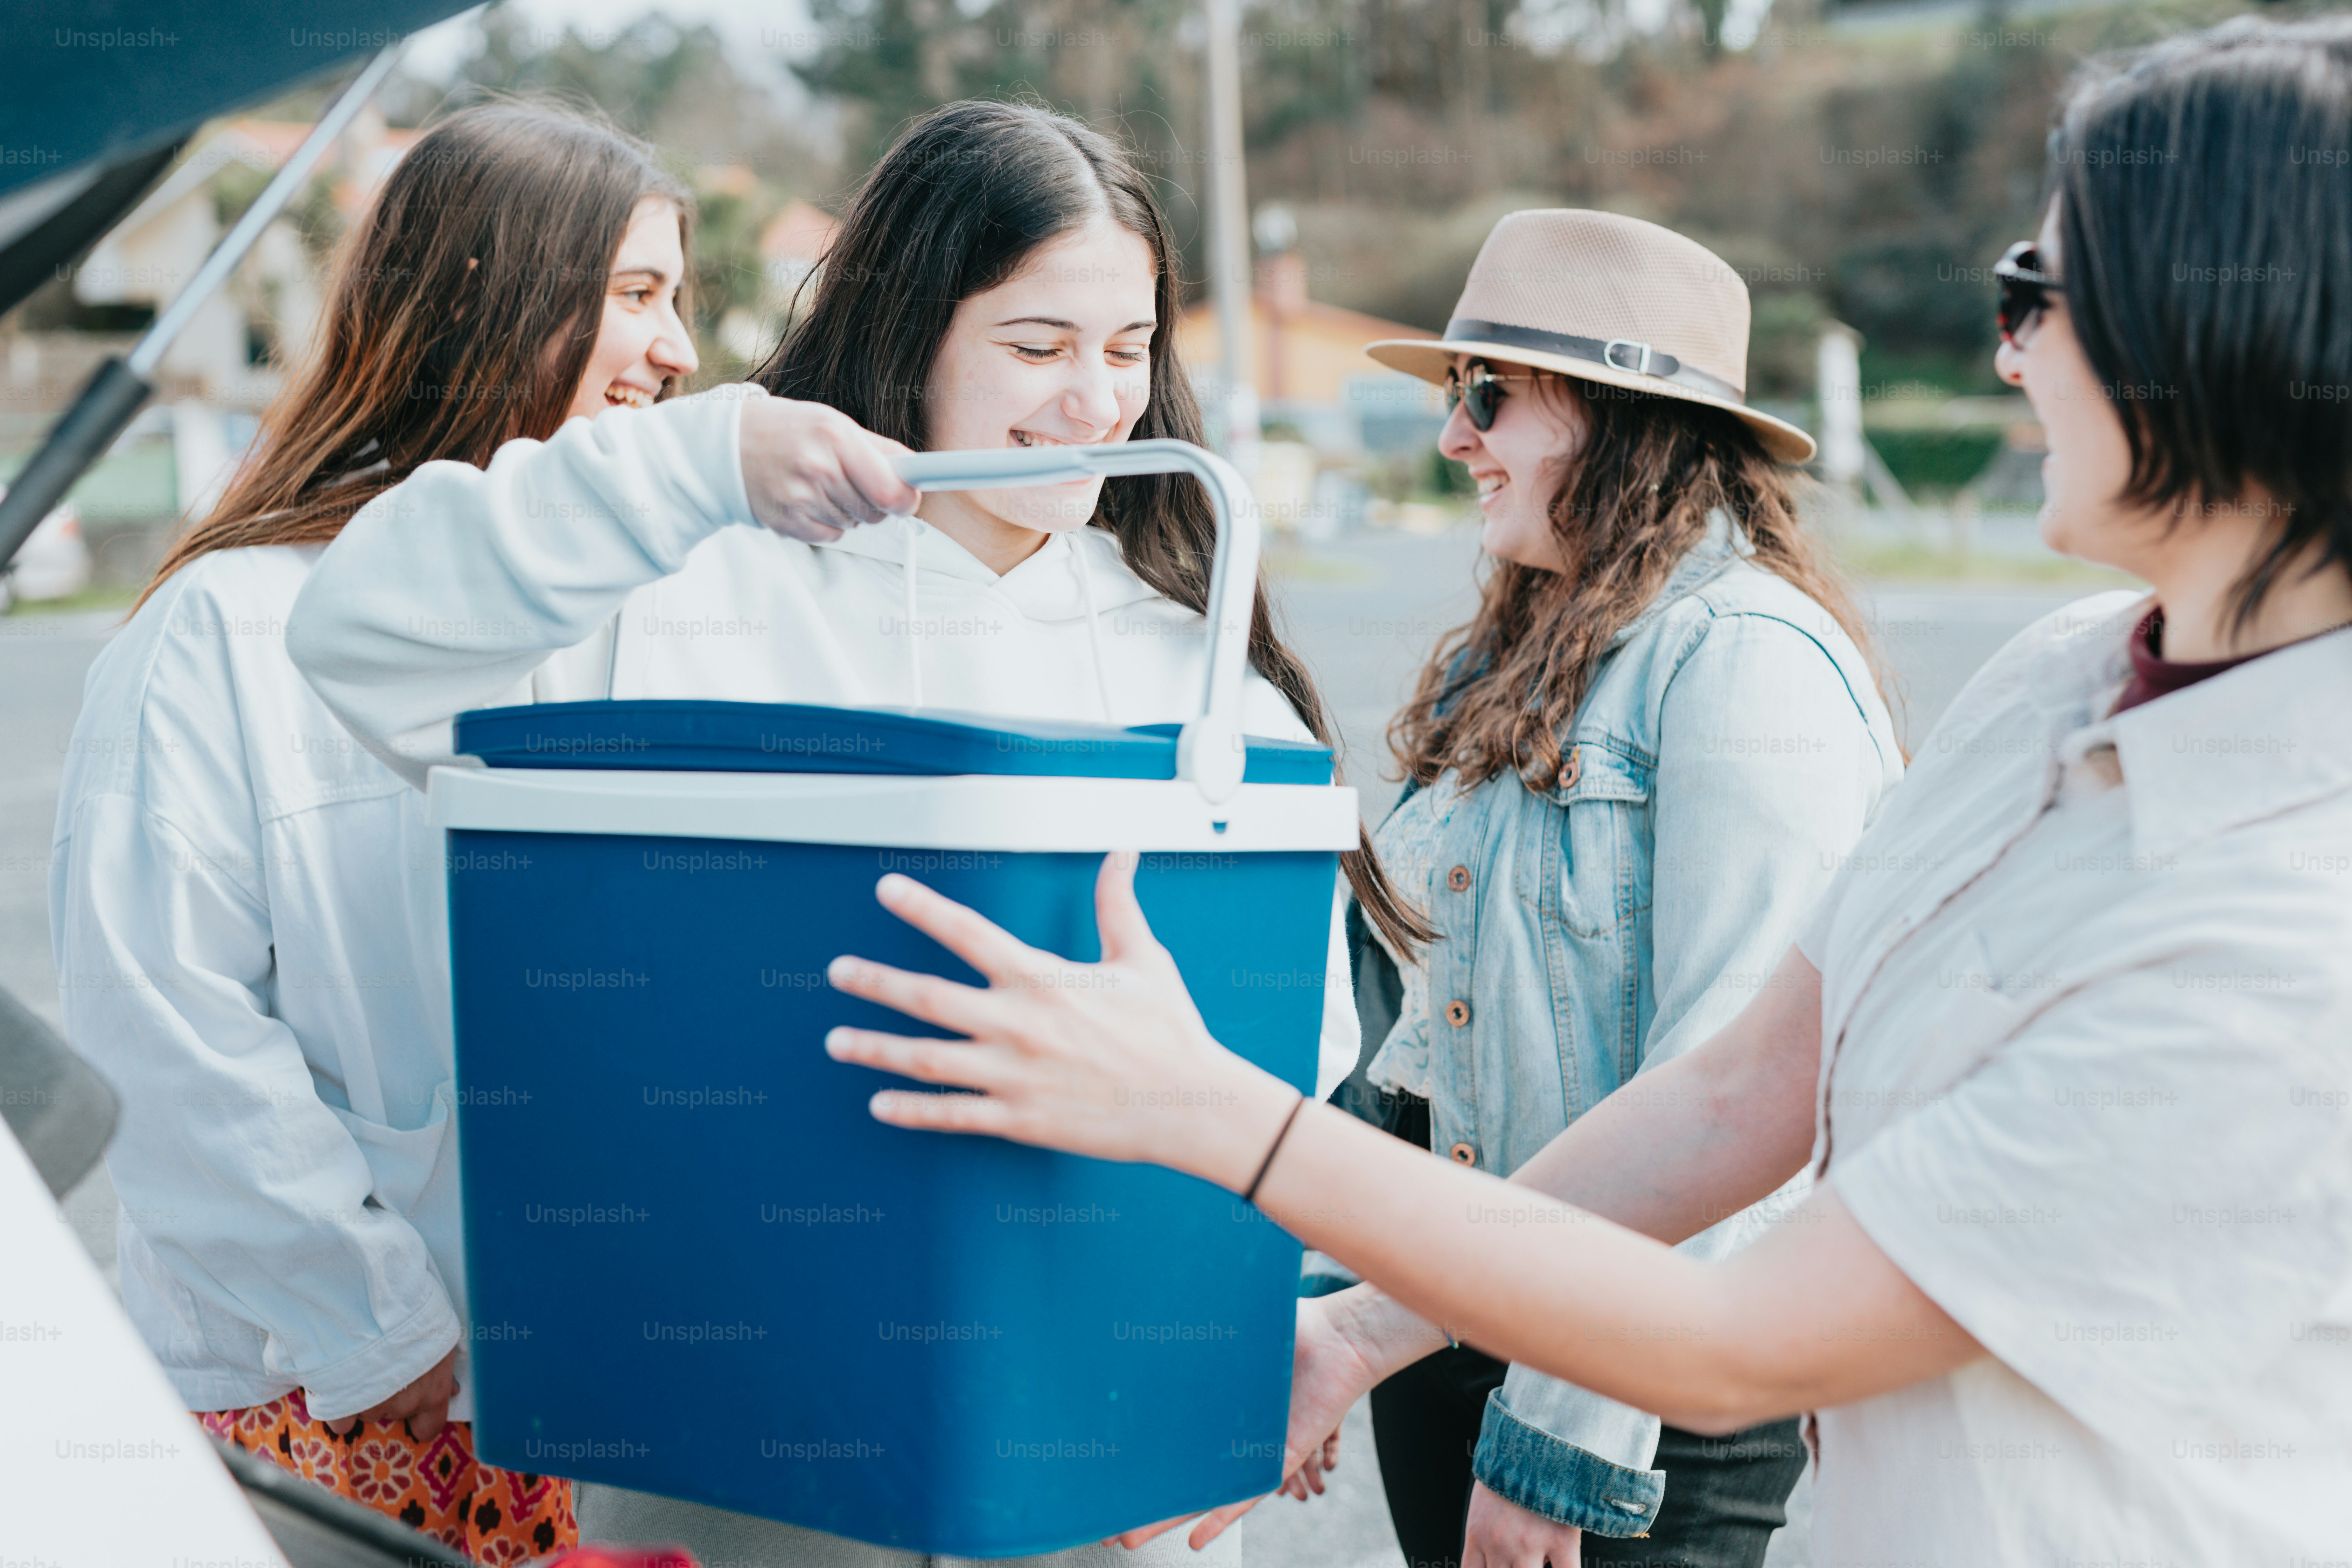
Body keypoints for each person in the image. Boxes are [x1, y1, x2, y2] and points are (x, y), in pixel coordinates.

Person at [818, 16, 2352, 1563]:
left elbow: (1744, 1337)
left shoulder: (2290, 923)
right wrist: (1355, 1333)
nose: (2006, 347)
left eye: (2043, 290)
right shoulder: (2054, 677)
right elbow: (1735, 1094)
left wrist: (1214, 1112)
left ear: (2230, 340)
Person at [284, 98, 1418, 1567]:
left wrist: (1212, 1363)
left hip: (1087, 1465)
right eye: (1037, 346)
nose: (1096, 402)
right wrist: (701, 463)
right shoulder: (698, 590)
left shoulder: (1199, 680)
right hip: (727, 1451)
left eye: (1127, 350)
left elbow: (1289, 1077)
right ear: (911, 331)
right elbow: (361, 638)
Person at [47, 100, 728, 1558]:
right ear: (490, 298)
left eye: (682, 298)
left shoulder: (670, 617)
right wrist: (389, 1327)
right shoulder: (217, 632)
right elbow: (158, 1023)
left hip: (603, 1395)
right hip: (328, 1399)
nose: (680, 350)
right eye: (638, 295)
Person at [1311, 210, 1900, 1568]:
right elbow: (1419, 1051)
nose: (1454, 435)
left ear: (1619, 416)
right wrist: (1346, 1319)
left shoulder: (1749, 667)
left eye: (1487, 394)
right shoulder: (1511, 652)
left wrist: (1564, 1443)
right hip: (1454, 1331)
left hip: (1636, 1394)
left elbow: (1727, 1106)